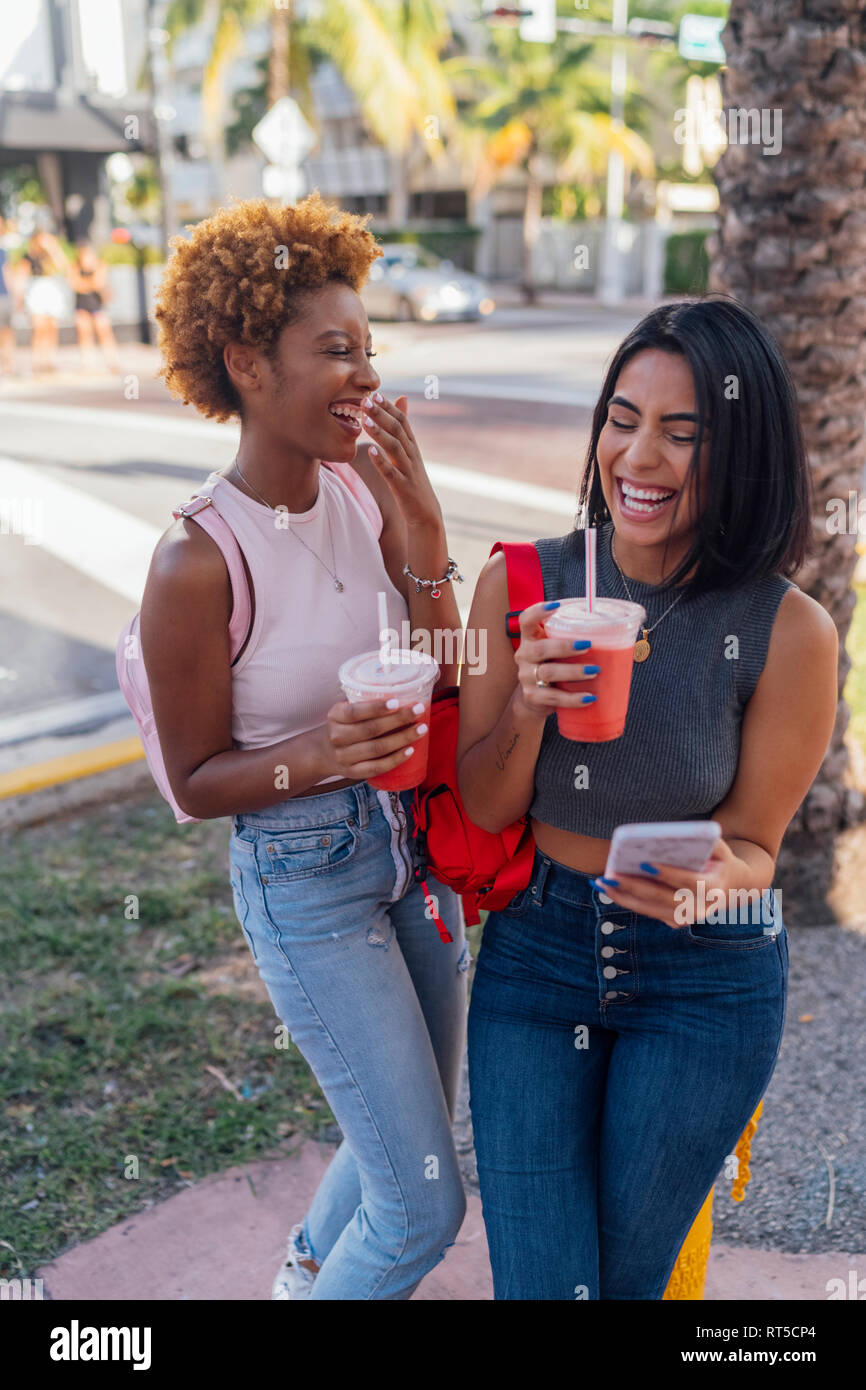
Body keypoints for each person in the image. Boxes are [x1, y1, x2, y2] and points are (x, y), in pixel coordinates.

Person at [457, 297, 838, 1300]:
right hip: (536, 957)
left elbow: (755, 846)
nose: (639, 458)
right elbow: (488, 808)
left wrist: (719, 881)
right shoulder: (522, 585)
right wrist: (530, 704)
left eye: (682, 434)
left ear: (742, 449)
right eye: (621, 420)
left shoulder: (787, 632)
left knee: (628, 1286)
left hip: (702, 978)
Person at [139, 192, 469, 1300]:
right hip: (306, 879)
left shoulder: (361, 489)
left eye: (369, 350)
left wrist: (421, 534)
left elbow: (452, 670)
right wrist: (325, 753)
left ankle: (306, 1268)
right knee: (423, 1202)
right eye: (335, 351)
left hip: (414, 853)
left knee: (404, 1121)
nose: (366, 378)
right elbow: (193, 784)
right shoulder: (197, 559)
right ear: (245, 363)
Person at [17, 229, 69, 373]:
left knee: (52, 326)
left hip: (51, 289)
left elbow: (63, 267)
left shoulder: (52, 255)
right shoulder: (28, 256)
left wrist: (54, 249)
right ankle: (37, 360)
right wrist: (20, 296)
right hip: (36, 290)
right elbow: (22, 275)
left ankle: (50, 359)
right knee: (39, 328)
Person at [67, 239, 120, 371]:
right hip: (81, 305)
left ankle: (112, 360)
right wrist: (89, 284)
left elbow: (98, 283)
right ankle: (88, 363)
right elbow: (76, 285)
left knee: (104, 332)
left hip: (98, 305)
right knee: (84, 333)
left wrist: (87, 283)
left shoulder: (100, 265)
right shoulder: (74, 267)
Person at [0, 215, 20, 376]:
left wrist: (15, 295)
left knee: (7, 331)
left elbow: (8, 274)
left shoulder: (3, 252)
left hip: (4, 297)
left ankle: (9, 364)